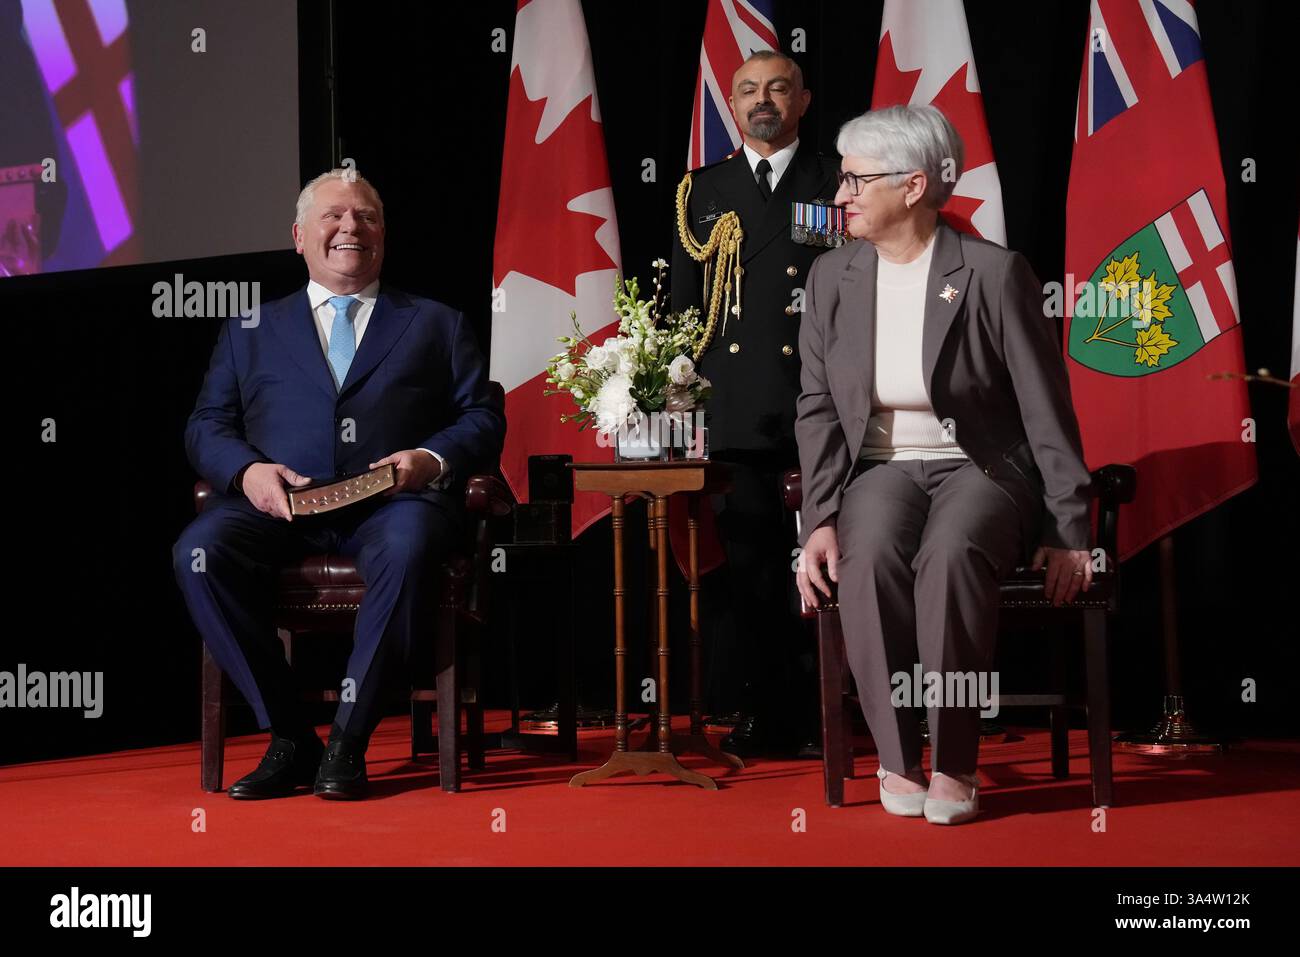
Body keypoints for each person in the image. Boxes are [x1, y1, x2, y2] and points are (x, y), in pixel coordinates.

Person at [794, 105, 1094, 824]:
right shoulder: (832, 277)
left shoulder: (993, 272)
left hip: (981, 468)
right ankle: (898, 758)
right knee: (864, 560)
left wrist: (1071, 526)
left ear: (912, 185)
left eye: (854, 181)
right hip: (882, 468)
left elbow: (1046, 405)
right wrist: (821, 517)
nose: (839, 197)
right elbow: (818, 409)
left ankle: (956, 761)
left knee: (952, 554)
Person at [173, 169, 505, 800]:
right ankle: (293, 737)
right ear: (300, 236)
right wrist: (247, 472)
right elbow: (206, 424)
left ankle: (349, 741)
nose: (351, 227)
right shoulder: (249, 328)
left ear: (384, 234)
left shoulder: (437, 322)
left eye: (367, 217)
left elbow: (482, 416)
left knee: (409, 548)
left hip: (394, 503)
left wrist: (430, 459)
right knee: (200, 553)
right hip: (280, 507)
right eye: (333, 216)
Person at [671, 50, 841, 758]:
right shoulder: (699, 192)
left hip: (820, 399)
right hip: (734, 409)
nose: (762, 100)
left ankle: (823, 710)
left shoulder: (838, 181)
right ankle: (760, 707)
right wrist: (679, 397)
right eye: (747, 91)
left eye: (777, 87)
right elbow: (685, 313)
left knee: (825, 563)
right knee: (749, 571)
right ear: (732, 107)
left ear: (803, 100)